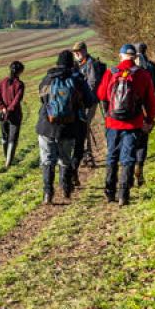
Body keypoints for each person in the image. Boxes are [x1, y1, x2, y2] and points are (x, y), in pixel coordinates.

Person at [96, 44, 155, 206]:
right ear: (135, 57)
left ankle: (110, 191)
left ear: (121, 56)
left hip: (113, 122)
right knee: (128, 157)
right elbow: (151, 101)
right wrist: (150, 119)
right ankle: (124, 194)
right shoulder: (143, 74)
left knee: (112, 155)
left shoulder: (111, 72)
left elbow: (101, 94)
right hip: (133, 123)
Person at [35, 50, 96, 204]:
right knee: (65, 159)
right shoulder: (76, 79)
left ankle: (48, 193)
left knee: (47, 159)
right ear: (71, 63)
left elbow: (42, 99)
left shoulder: (47, 78)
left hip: (46, 125)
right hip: (68, 126)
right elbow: (90, 100)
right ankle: (66, 188)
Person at [132, 42, 155, 187]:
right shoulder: (151, 65)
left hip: (131, 111)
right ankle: (139, 167)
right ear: (146, 51)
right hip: (148, 108)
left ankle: (130, 168)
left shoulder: (129, 68)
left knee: (131, 141)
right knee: (143, 141)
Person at [71, 41, 106, 171]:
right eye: (75, 52)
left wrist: (83, 98)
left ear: (85, 50)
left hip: (89, 101)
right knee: (81, 127)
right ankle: (86, 154)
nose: (76, 54)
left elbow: (92, 83)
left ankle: (88, 155)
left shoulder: (90, 64)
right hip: (79, 102)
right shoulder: (77, 64)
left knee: (84, 126)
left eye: (78, 51)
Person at [0, 61, 25, 168]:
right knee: (13, 138)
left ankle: (6, 159)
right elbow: (17, 100)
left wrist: (3, 108)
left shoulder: (3, 81)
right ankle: (8, 162)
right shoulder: (20, 84)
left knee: (5, 137)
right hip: (15, 115)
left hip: (3, 115)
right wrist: (9, 109)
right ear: (21, 71)